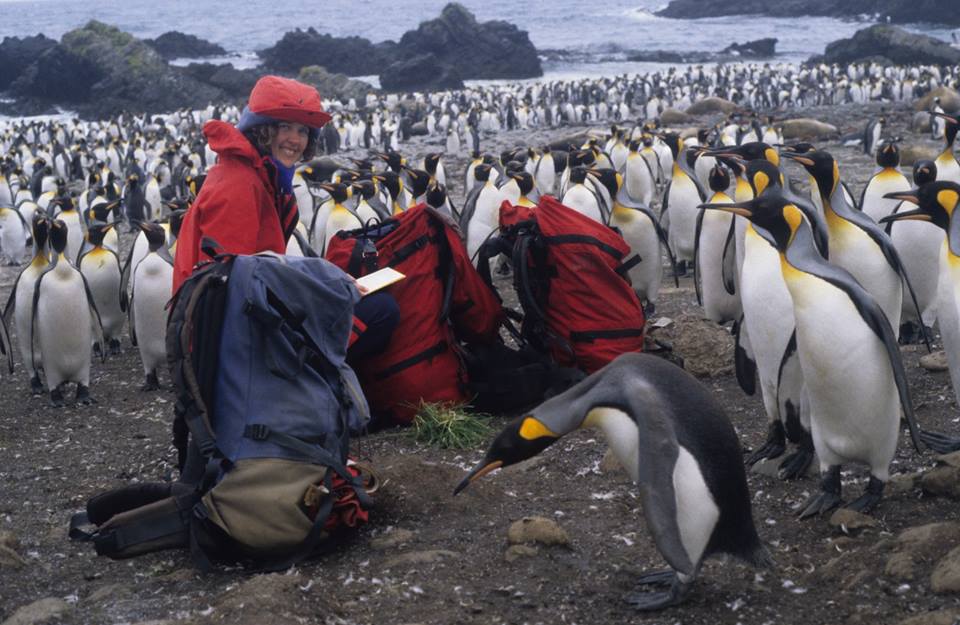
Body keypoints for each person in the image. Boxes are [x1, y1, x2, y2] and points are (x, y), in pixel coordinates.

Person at [173, 74, 398, 359]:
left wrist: (324, 280)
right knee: (381, 311)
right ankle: (309, 380)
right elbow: (229, 284)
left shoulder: (261, 177)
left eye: (303, 130)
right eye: (284, 127)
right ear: (262, 130)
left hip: (249, 318)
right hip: (228, 345)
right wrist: (317, 288)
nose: (295, 139)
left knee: (364, 296)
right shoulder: (238, 185)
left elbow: (258, 266)